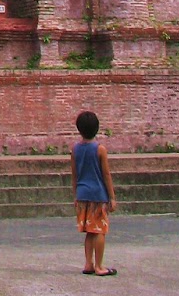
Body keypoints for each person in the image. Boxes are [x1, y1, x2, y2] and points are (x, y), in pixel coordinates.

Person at [71, 109, 117, 276]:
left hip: (82, 193)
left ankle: (88, 263)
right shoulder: (100, 149)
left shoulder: (75, 149)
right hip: (98, 194)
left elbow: (74, 174)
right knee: (99, 231)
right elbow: (106, 174)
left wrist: (75, 194)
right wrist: (112, 197)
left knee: (89, 231)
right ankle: (99, 266)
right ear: (97, 128)